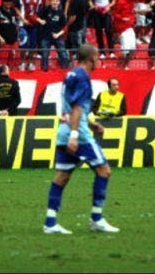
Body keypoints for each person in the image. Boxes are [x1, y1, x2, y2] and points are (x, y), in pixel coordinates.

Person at [43, 43, 118, 235]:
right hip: (78, 134)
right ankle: (96, 219)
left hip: (64, 129)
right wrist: (75, 135)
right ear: (92, 58)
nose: (98, 60)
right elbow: (76, 108)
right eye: (98, 57)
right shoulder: (83, 77)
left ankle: (50, 222)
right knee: (104, 171)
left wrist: (92, 124)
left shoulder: (71, 74)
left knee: (62, 176)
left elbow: (72, 108)